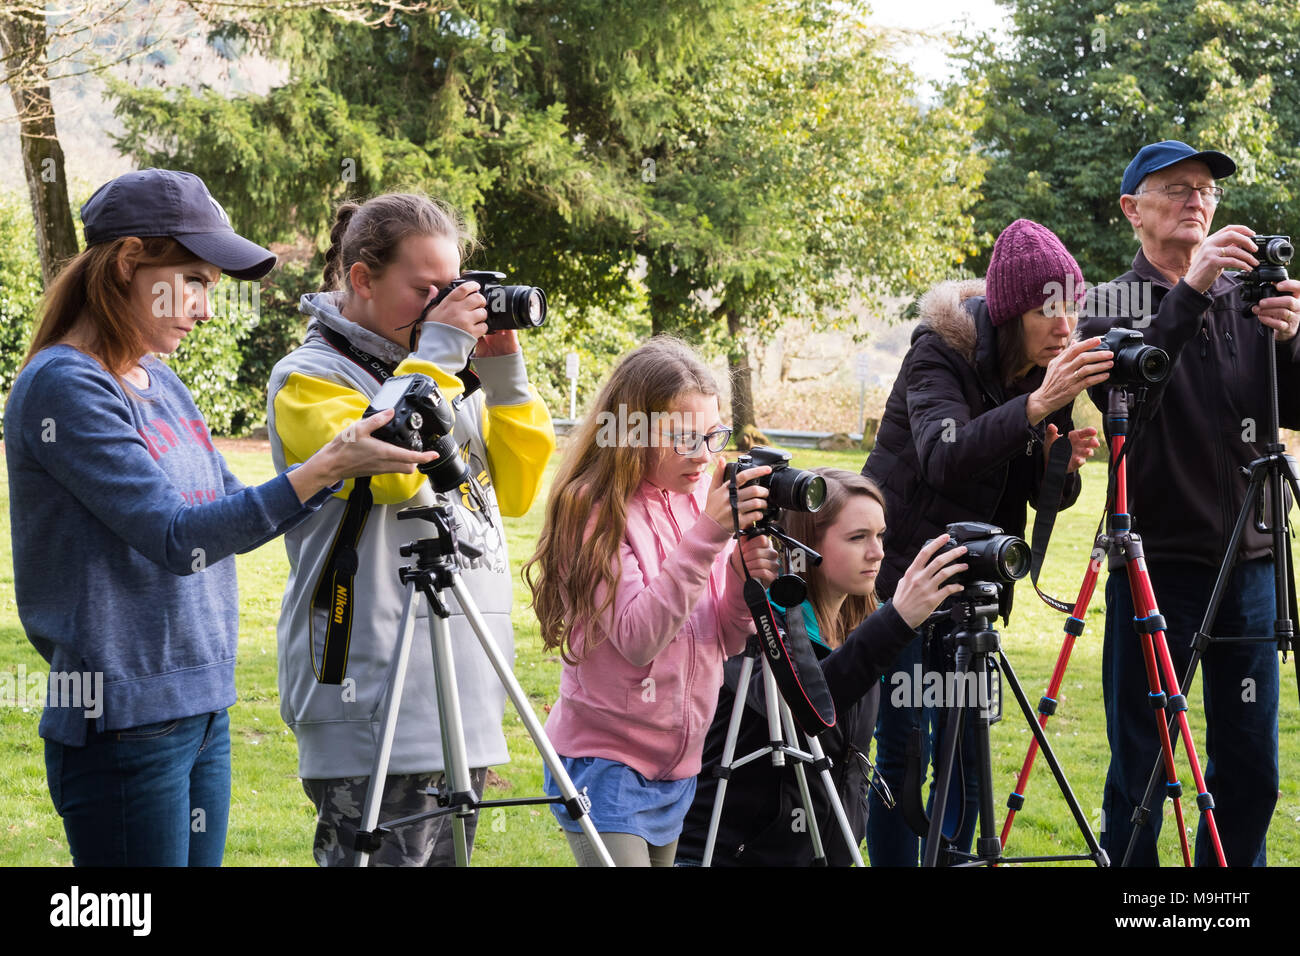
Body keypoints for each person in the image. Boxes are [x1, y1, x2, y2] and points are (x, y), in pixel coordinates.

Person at [4, 168, 434, 867]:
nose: (207, 308)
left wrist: (346, 465)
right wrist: (328, 464)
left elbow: (232, 509)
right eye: (196, 280)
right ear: (126, 264)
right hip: (124, 721)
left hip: (203, 707)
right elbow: (178, 537)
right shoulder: (65, 384)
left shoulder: (158, 378)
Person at [268, 193, 555, 866]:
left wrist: (503, 369)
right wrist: (444, 346)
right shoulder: (307, 379)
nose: (439, 305)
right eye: (423, 289)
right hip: (370, 701)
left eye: (448, 289)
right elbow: (393, 462)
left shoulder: (444, 375)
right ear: (362, 280)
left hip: (465, 695)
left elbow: (514, 491)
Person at [862, 218, 1110, 865]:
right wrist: (1033, 410)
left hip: (974, 583)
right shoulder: (936, 354)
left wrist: (1062, 464)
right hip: (902, 576)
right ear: (1009, 312)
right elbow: (945, 457)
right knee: (903, 746)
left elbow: (1035, 490)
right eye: (1048, 309)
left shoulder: (1043, 372)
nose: (1066, 325)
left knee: (968, 749)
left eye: (1073, 307)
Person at [1079, 140, 1300, 866]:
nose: (1196, 200)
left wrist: (1293, 342)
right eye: (1175, 188)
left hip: (1252, 564)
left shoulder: (1247, 298)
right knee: (1142, 764)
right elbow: (1123, 401)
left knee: (1251, 770)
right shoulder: (1108, 305)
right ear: (1131, 210)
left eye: (1205, 189)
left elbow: (1287, 405)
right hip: (1157, 566)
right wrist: (1192, 291)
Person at [523, 336, 781, 866]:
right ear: (630, 429)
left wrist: (737, 577)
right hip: (606, 758)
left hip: (678, 762)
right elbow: (638, 639)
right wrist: (710, 537)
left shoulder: (694, 505)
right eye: (682, 437)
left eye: (713, 436)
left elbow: (725, 640)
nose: (702, 455)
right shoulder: (593, 510)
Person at [676, 469, 969, 866]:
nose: (877, 552)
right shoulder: (756, 623)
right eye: (857, 538)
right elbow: (808, 707)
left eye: (880, 535)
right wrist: (896, 621)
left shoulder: (857, 625)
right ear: (804, 546)